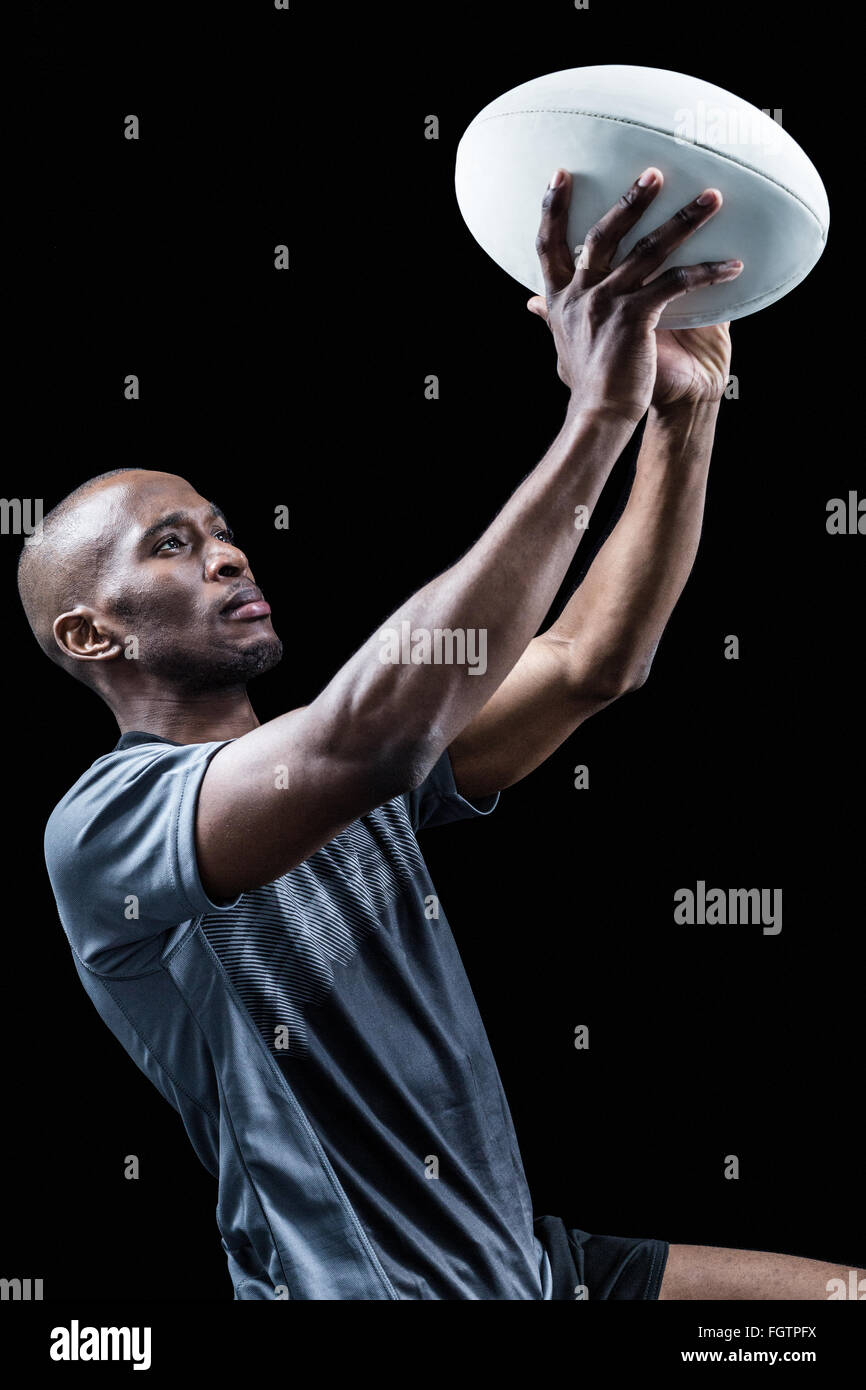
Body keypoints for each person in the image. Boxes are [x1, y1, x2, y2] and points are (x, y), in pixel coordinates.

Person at [20, 167, 862, 1299]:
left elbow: (586, 665)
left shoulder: (354, 775)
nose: (227, 552)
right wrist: (594, 414)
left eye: (221, 530)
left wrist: (678, 416)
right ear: (90, 630)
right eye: (170, 546)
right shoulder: (109, 826)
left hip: (529, 1266)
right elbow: (364, 738)